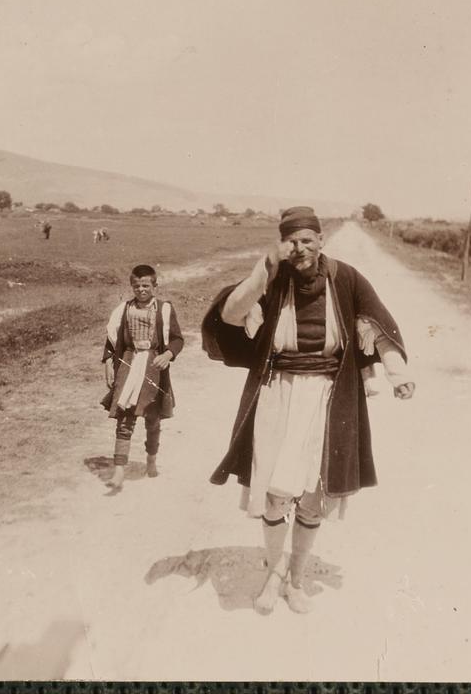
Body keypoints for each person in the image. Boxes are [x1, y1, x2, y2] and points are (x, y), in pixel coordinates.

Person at [201, 206, 414, 615]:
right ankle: (273, 576)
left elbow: (378, 324)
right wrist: (264, 268)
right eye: (291, 242)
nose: (299, 249)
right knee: (276, 493)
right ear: (284, 244)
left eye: (306, 241)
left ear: (321, 241)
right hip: (280, 392)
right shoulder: (274, 277)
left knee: (315, 494)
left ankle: (295, 580)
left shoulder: (347, 278)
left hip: (330, 397)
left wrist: (396, 373)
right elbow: (230, 314)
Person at [102, 264, 184, 491]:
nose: (141, 289)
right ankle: (119, 469)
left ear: (154, 286)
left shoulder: (164, 309)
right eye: (136, 286)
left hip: (152, 367)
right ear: (131, 286)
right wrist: (108, 363)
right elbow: (111, 340)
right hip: (129, 364)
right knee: (125, 416)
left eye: (146, 285)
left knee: (152, 417)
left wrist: (168, 354)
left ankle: (151, 458)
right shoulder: (123, 310)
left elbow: (177, 339)